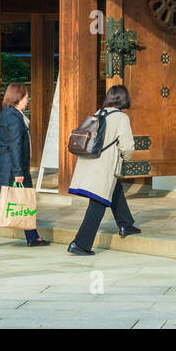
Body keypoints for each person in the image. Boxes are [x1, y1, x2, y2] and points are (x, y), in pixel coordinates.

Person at [0, 83, 49, 249]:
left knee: (21, 202)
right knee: (4, 202)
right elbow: (15, 146)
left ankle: (32, 237)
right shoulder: (15, 118)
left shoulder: (4, 115)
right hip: (12, 168)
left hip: (3, 166)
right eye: (26, 97)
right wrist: (18, 171)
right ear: (18, 98)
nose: (27, 100)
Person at [67, 84, 139, 256]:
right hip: (103, 166)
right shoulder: (121, 118)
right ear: (124, 99)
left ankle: (125, 224)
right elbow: (127, 146)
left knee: (113, 189)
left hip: (89, 163)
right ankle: (80, 244)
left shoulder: (99, 113)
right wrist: (126, 157)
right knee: (98, 203)